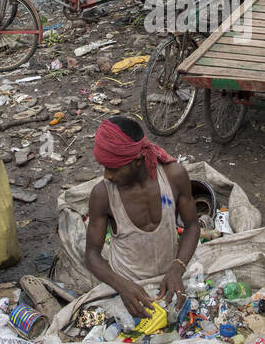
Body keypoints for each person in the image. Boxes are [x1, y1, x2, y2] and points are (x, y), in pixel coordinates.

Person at [84, 117, 200, 320]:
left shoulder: (174, 177)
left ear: (137, 161)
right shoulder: (103, 195)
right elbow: (92, 254)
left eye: (113, 167)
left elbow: (192, 225)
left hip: (171, 274)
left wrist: (177, 268)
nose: (107, 175)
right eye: (104, 166)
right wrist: (121, 286)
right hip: (128, 283)